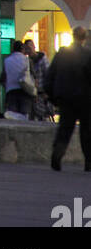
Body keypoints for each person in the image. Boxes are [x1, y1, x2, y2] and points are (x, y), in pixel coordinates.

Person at [44, 26, 91, 171]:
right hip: (85, 99)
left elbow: (50, 74)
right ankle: (89, 161)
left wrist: (51, 95)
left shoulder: (62, 53)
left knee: (64, 128)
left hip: (65, 98)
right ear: (84, 38)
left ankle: (57, 155)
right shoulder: (87, 55)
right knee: (87, 131)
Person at [1, 40, 35, 121]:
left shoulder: (7, 61)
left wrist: (7, 87)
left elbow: (2, 79)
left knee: (12, 117)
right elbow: (34, 77)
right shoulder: (27, 60)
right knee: (25, 117)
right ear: (22, 49)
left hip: (11, 92)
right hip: (25, 92)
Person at [23, 39, 51, 121]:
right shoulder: (27, 61)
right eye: (26, 48)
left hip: (42, 94)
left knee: (44, 118)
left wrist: (47, 92)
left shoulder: (43, 60)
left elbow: (48, 76)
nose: (29, 50)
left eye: (30, 47)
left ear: (34, 47)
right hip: (33, 95)